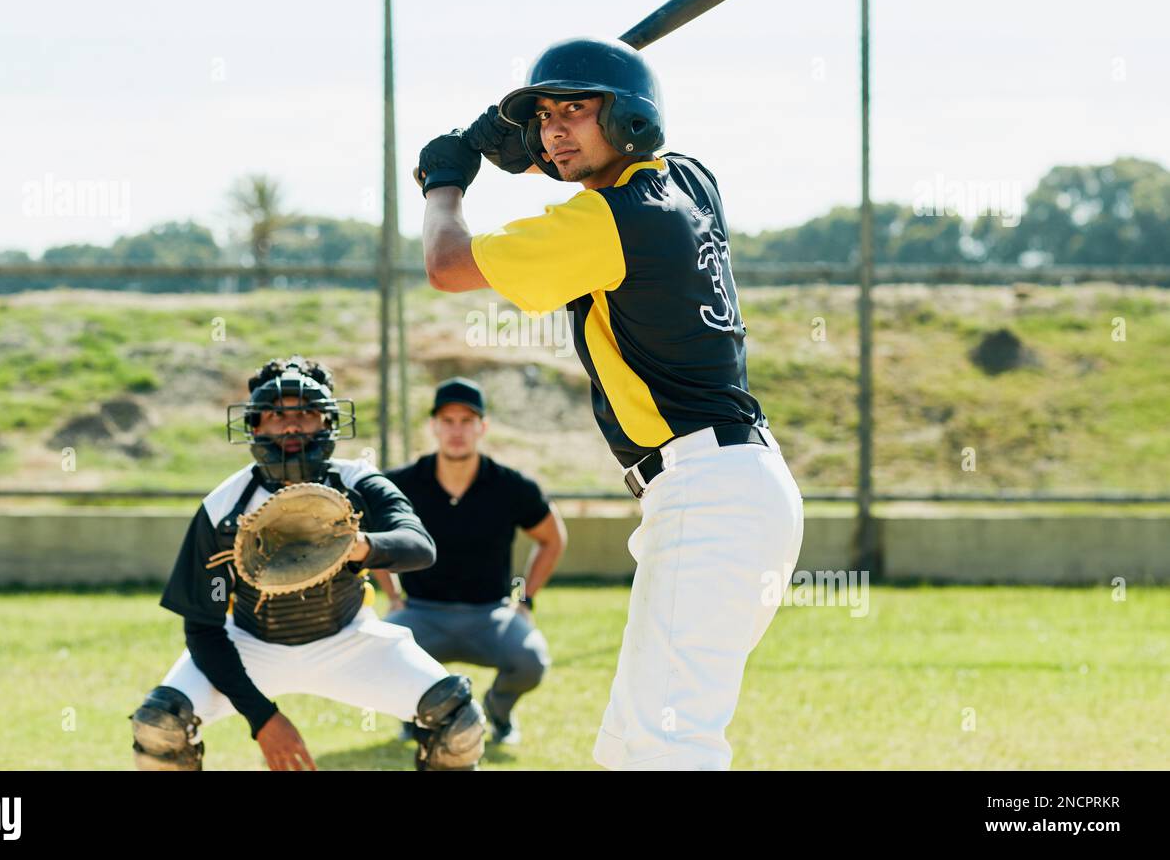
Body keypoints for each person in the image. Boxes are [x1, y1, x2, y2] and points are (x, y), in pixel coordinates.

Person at [411, 37, 805, 770]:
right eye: (546, 117)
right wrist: (525, 145)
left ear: (628, 120)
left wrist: (447, 180)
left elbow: (447, 263)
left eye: (576, 111)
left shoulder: (607, 222)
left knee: (669, 745)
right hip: (731, 488)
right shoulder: (689, 180)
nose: (556, 130)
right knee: (632, 744)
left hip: (711, 496)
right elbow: (583, 168)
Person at [129, 355, 485, 771]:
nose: (293, 426)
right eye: (278, 415)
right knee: (159, 727)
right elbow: (203, 628)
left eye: (308, 413)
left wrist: (358, 545)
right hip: (248, 644)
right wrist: (264, 720)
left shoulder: (357, 481)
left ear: (329, 422)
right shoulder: (224, 507)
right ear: (255, 425)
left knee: (458, 723)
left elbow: (419, 546)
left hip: (348, 639)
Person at [373, 376, 567, 745]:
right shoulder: (404, 483)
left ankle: (497, 711)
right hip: (421, 612)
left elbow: (552, 538)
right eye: (448, 421)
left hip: (489, 614)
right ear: (433, 427)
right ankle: (416, 715)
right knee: (378, 647)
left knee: (531, 660)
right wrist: (393, 595)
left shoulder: (510, 485)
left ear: (483, 427)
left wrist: (524, 598)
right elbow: (373, 538)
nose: (456, 431)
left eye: (466, 421)